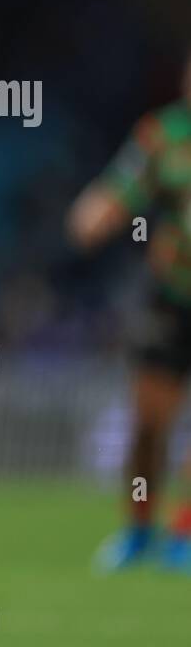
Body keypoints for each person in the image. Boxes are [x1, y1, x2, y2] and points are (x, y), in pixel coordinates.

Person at [68, 49, 191, 572]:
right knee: (149, 425)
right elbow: (118, 190)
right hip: (170, 298)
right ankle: (139, 530)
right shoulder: (162, 135)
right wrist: (98, 214)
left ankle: (183, 535)